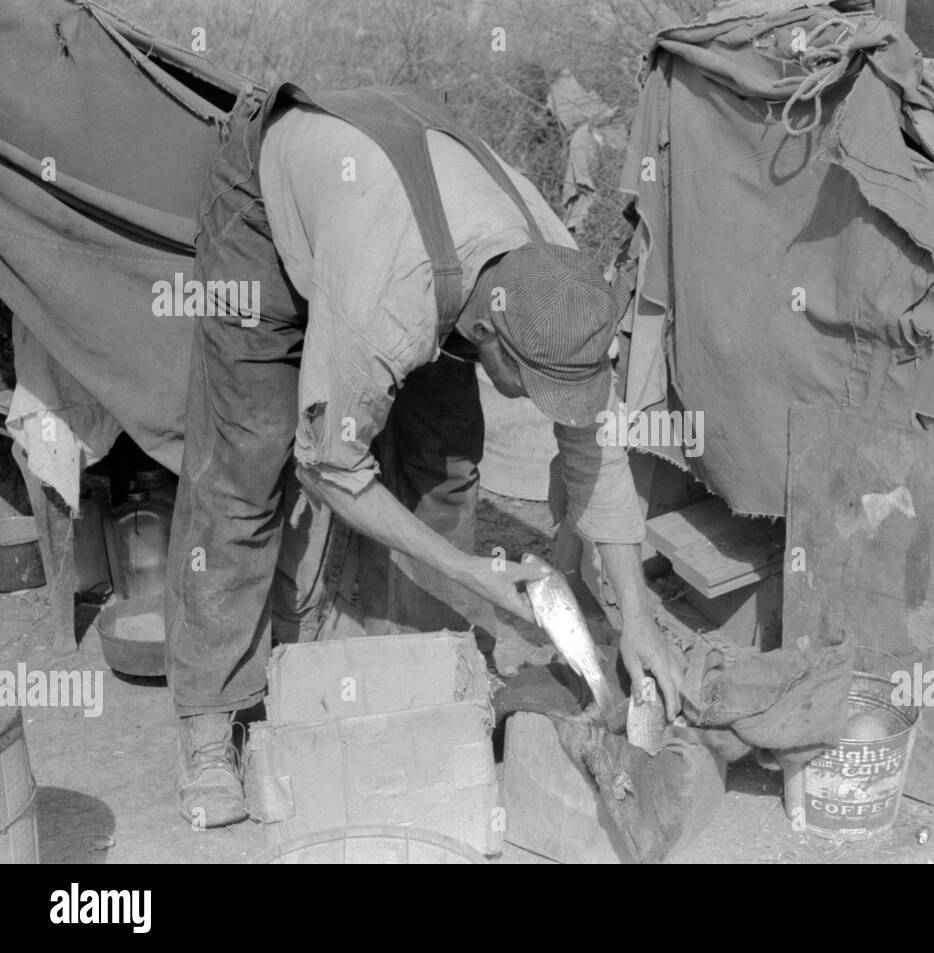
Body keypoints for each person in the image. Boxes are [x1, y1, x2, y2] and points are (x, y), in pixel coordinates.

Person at [165, 83, 684, 828]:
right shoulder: (389, 299)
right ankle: (211, 720)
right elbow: (329, 464)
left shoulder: (560, 284)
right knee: (248, 464)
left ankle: (409, 673)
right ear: (493, 344)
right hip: (271, 202)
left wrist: (637, 615)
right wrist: (473, 571)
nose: (541, 406)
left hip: (412, 220)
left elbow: (595, 456)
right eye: (531, 387)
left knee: (444, 460)